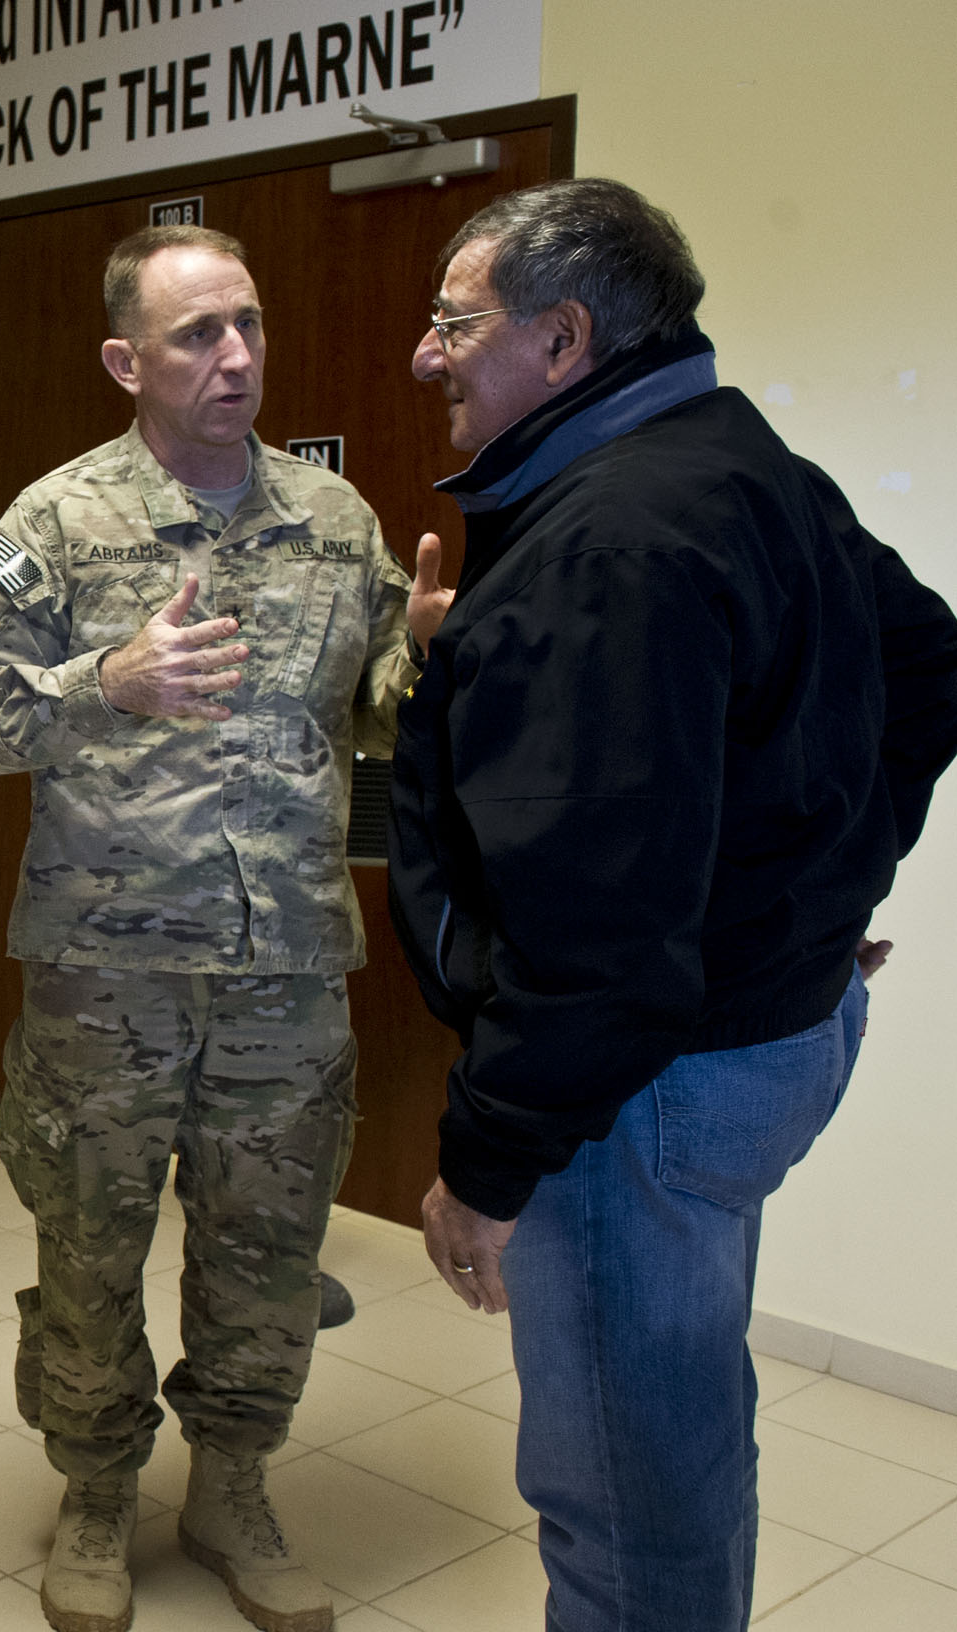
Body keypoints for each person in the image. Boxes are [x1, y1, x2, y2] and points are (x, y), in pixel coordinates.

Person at [388, 178, 957, 1631]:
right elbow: (925, 668)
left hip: (641, 1089)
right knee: (677, 1430)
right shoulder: (734, 461)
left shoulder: (607, 544)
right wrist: (811, 897)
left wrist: (484, 1171)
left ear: (564, 338)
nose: (425, 354)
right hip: (759, 1033)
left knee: (627, 1503)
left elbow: (593, 936)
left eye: (456, 322)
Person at [0, 223, 442, 1632]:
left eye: (248, 325)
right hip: (108, 976)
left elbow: (378, 711)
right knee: (91, 1248)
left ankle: (233, 1487)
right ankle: (97, 1495)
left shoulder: (332, 519)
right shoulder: (56, 522)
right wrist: (106, 679)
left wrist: (425, 659)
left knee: (269, 1252)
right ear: (126, 362)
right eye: (198, 333)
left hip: (287, 970)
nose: (235, 356)